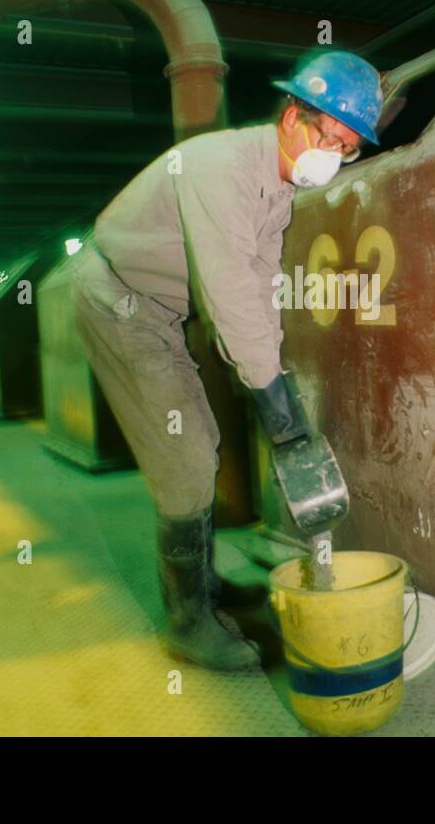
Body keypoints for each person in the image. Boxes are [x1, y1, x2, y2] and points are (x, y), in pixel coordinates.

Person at [73, 50, 384, 669]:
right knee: (186, 455)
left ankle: (206, 586)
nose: (334, 155)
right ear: (292, 116)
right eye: (330, 136)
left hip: (161, 307)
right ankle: (187, 624)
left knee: (201, 440)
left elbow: (259, 287)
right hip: (119, 299)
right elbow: (230, 295)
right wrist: (283, 418)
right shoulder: (223, 167)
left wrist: (273, 386)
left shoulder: (281, 192)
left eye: (347, 148)